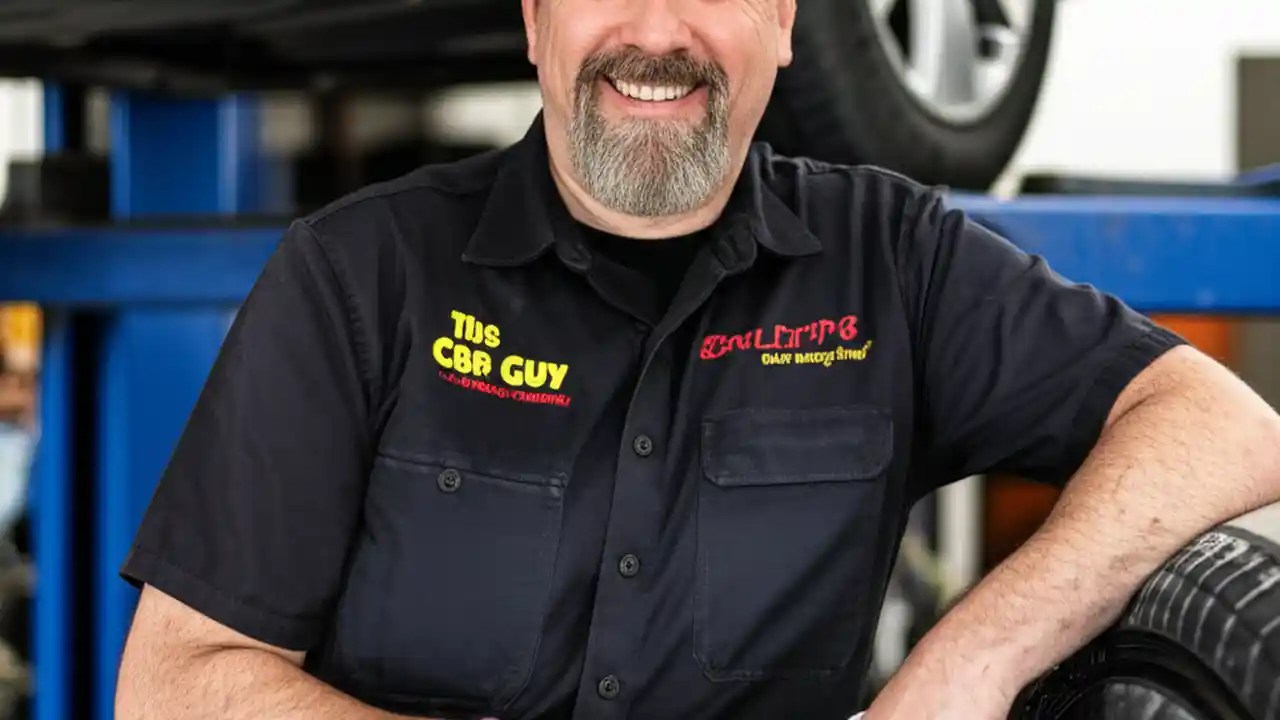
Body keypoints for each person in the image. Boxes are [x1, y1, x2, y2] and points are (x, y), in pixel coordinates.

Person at [114, 0, 1280, 718]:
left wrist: (968, 659)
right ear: (533, 18)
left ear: (783, 18)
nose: (658, 32)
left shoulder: (892, 263)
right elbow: (175, 688)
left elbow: (1223, 427)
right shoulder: (359, 274)